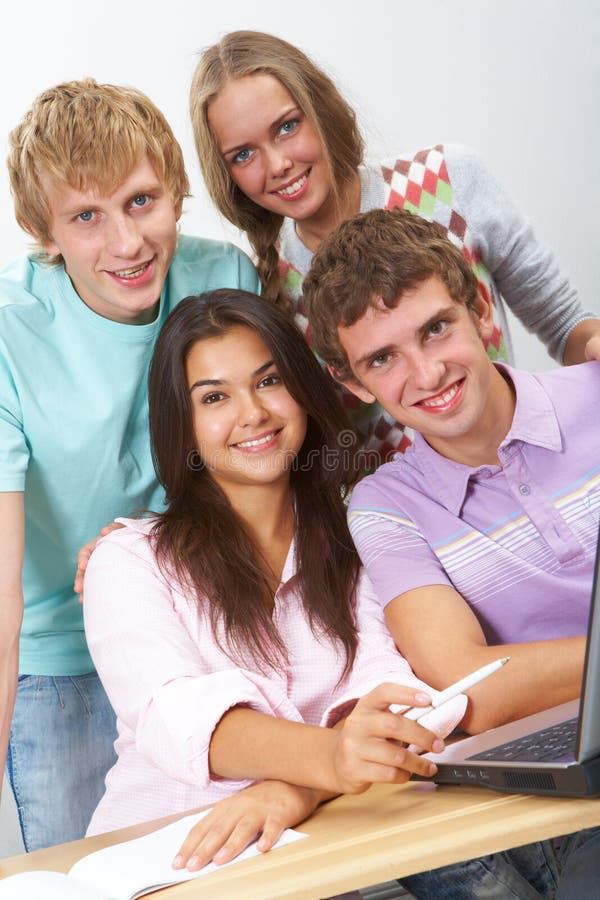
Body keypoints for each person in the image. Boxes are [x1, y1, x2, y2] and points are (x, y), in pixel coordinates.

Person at [81, 289, 473, 884]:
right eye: (214, 397)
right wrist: (328, 761)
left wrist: (296, 788)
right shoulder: (129, 560)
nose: (252, 414)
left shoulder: (362, 530)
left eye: (268, 382)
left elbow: (393, 692)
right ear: (182, 426)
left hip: (322, 860)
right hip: (160, 863)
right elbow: (175, 716)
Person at [302, 207, 600, 897]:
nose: (427, 372)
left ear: (481, 311)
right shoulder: (384, 506)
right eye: (383, 359)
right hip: (576, 797)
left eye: (436, 328)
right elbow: (474, 689)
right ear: (354, 385)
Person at [0, 78, 259, 852]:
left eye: (141, 201)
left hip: (204, 622)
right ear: (40, 230)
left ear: (178, 191)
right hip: (59, 655)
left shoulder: (226, 279)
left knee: (238, 867)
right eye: (87, 216)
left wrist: (141, 539)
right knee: (92, 873)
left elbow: (260, 474)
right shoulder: (11, 331)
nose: (126, 243)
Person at [189, 29, 600, 463]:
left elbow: (563, 321)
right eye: (242, 155)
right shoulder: (274, 289)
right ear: (226, 174)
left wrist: (592, 344)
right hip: (415, 516)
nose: (278, 164)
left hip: (527, 458)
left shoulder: (448, 181)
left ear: (320, 109)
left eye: (287, 127)